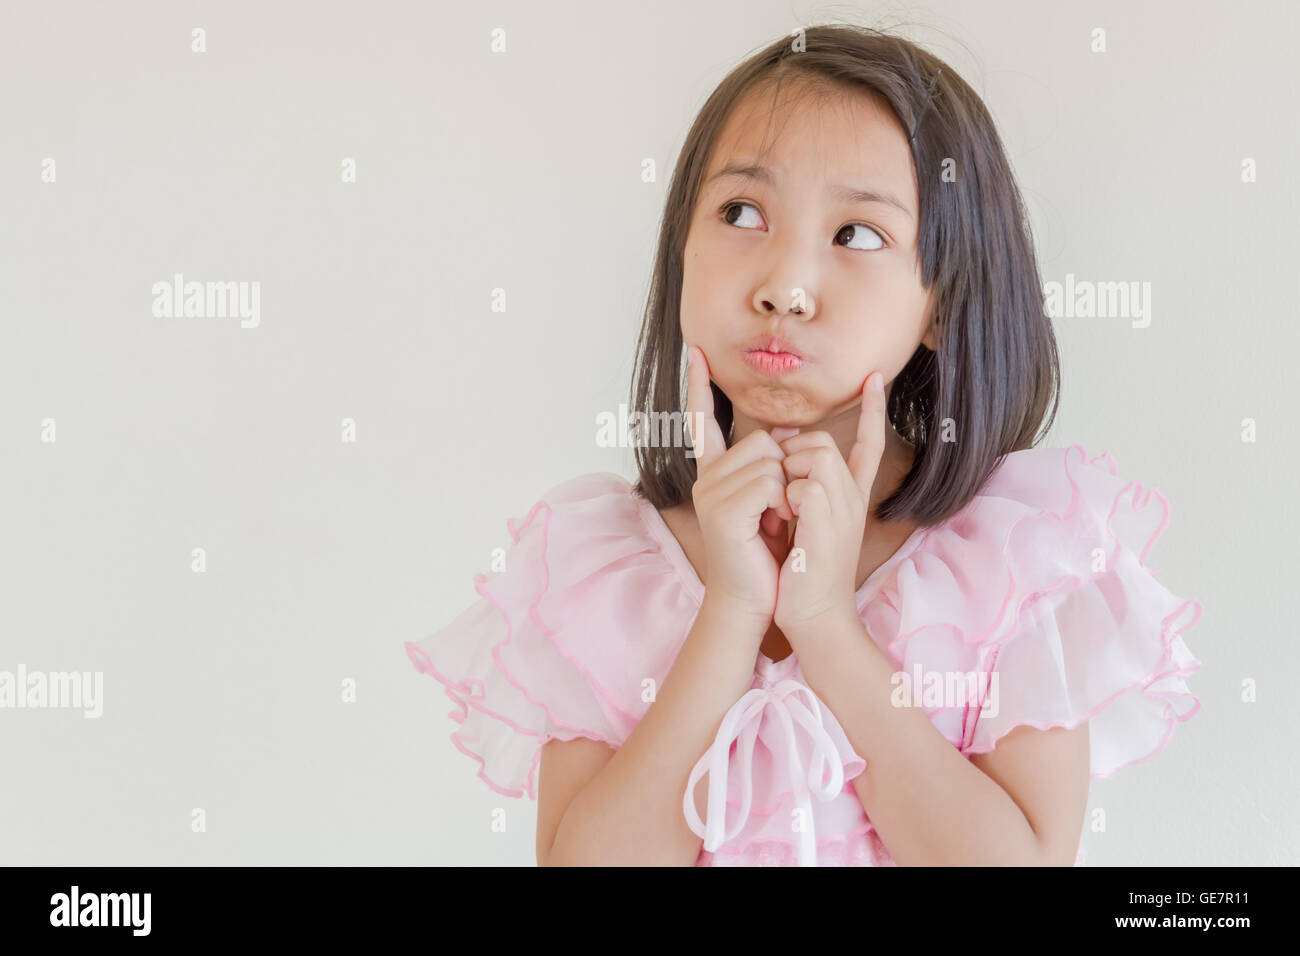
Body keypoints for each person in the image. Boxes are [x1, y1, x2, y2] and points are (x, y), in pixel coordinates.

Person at [403, 24, 1202, 866]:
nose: (783, 286)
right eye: (743, 213)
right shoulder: (600, 573)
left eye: (857, 233)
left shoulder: (1011, 566)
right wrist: (731, 614)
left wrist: (825, 626)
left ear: (940, 302)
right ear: (682, 249)